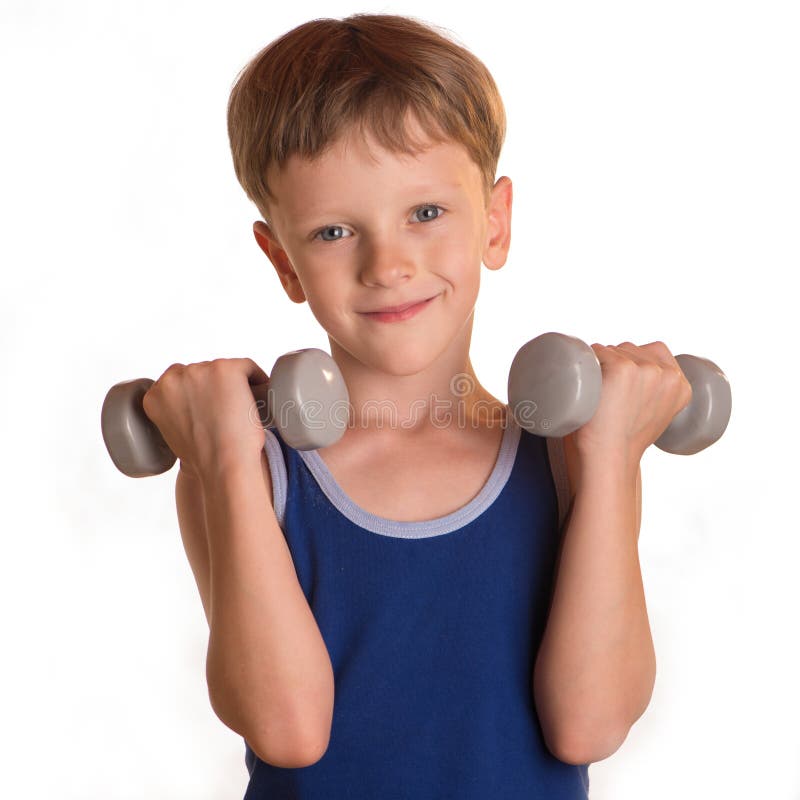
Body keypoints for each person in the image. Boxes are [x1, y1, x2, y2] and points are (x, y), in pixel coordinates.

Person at [144, 12, 693, 799]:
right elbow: (288, 732)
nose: (389, 264)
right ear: (283, 262)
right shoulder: (243, 467)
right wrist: (225, 458)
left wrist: (612, 457)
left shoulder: (576, 455)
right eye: (334, 231)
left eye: (426, 214)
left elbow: (590, 725)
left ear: (494, 223)